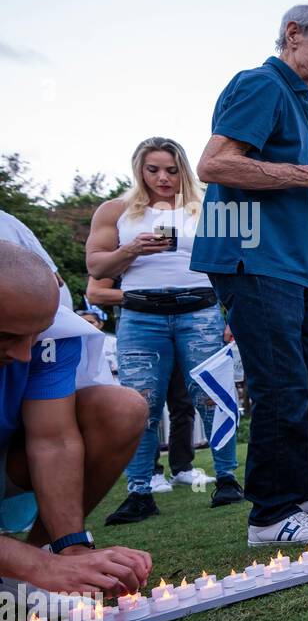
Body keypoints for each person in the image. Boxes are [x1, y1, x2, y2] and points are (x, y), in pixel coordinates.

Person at [191, 4, 308, 546]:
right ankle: (270, 515)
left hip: (292, 266)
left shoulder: (296, 99)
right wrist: (307, 174)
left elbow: (267, 179)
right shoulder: (262, 83)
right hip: (252, 259)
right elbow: (215, 164)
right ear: (294, 34)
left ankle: (306, 489)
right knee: (281, 384)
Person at [85, 137, 244, 524]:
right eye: (153, 169)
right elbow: (96, 268)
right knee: (140, 403)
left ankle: (227, 479)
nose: (163, 178)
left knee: (212, 394)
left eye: (172, 170)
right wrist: (131, 251)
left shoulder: (208, 206)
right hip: (141, 314)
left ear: (184, 170)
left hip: (199, 309)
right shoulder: (115, 210)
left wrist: (235, 317)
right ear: (139, 169)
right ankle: (140, 491)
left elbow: (241, 257)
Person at [0, 244, 152, 596]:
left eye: (34, 336)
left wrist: (70, 550)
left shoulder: (51, 331)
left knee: (121, 407)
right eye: (6, 337)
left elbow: (52, 440)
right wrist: (37, 567)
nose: (24, 354)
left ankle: (37, 559)